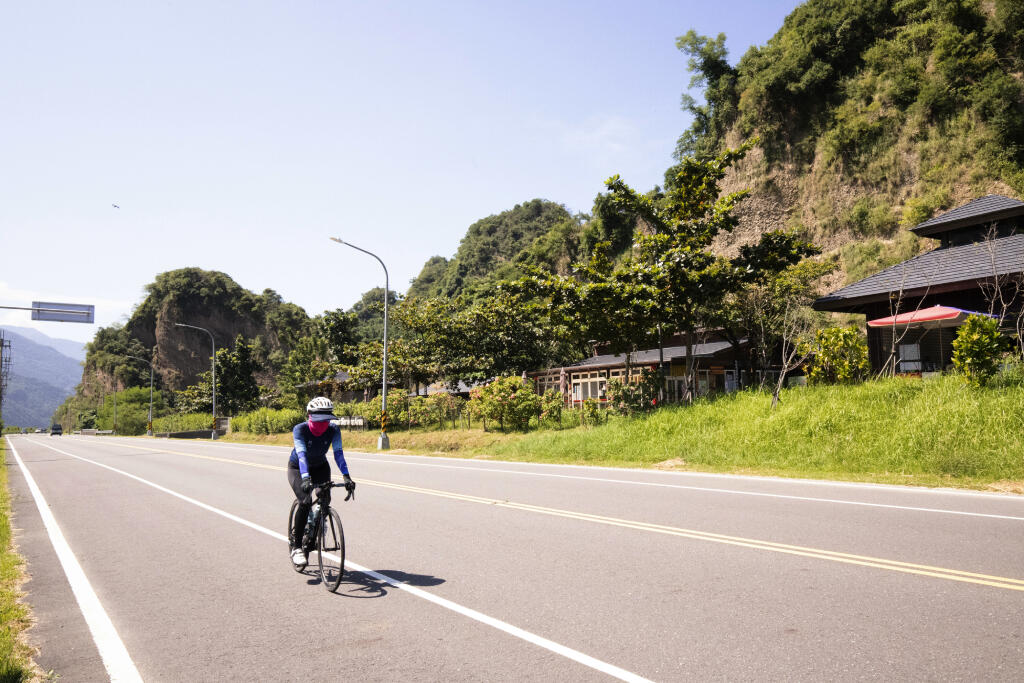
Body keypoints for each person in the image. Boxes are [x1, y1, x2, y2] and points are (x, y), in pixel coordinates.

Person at [288, 396, 355, 568]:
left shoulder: (333, 429)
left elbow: (338, 454)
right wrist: (305, 478)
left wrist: (346, 476)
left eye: (326, 420)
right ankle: (297, 548)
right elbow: (302, 455)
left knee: (325, 498)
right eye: (319, 420)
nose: (323, 424)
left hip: (320, 466)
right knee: (305, 501)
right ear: (309, 416)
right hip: (298, 468)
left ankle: (317, 522)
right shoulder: (300, 429)